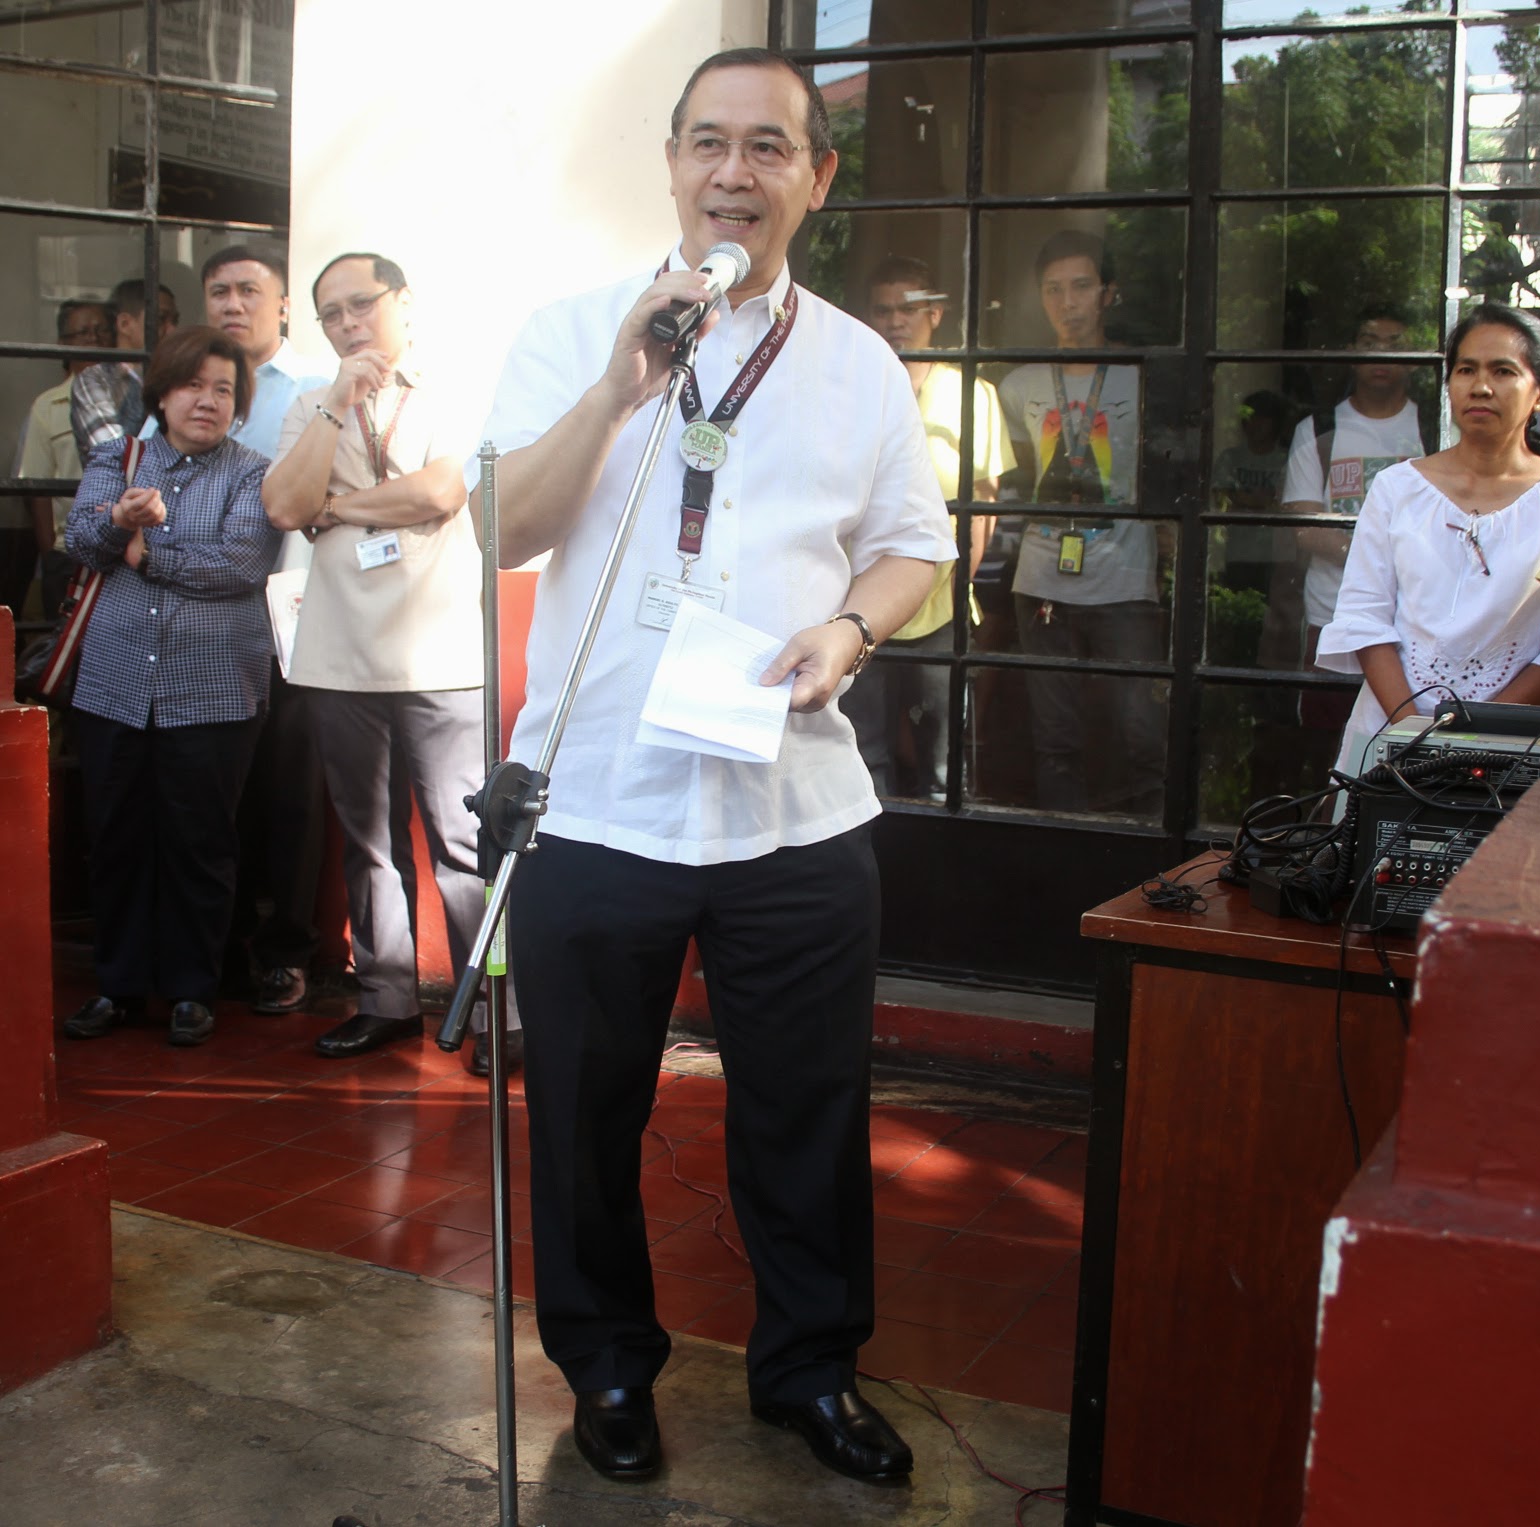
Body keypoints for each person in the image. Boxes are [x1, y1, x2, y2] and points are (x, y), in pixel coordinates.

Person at [474, 48, 953, 1488]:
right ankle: (609, 1367)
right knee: (580, 1108)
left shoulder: (859, 363)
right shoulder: (575, 330)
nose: (732, 172)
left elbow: (913, 543)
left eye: (766, 148)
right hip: (596, 797)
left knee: (804, 1110)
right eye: (706, 143)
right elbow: (503, 527)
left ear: (814, 178)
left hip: (790, 803)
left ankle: (806, 1370)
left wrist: (852, 627)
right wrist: (624, 385)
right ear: (672, 163)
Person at [262, 252, 516, 1075]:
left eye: (360, 305)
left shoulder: (454, 393)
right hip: (339, 656)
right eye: (329, 314)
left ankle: (497, 1010)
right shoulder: (310, 403)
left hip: (442, 652)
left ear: (404, 303)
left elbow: (441, 492)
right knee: (367, 841)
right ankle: (386, 1000)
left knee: (465, 840)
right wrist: (338, 404)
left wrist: (335, 509)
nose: (346, 326)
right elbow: (283, 506)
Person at [60, 326, 279, 1047]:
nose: (207, 400)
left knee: (201, 842)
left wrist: (141, 548)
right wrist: (115, 521)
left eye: (224, 389)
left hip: (214, 691)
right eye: (194, 385)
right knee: (117, 838)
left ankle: (192, 988)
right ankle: (119, 986)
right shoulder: (116, 458)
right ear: (162, 393)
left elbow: (240, 563)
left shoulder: (252, 472)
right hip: (115, 686)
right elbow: (79, 536)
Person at [1317, 303, 1540, 781]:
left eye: (1503, 371)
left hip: (1512, 748)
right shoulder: (1397, 488)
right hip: (1388, 737)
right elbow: (1365, 619)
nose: (1481, 386)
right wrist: (1414, 731)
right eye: (1465, 370)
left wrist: (1472, 737)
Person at [200, 244, 332, 1016]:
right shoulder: (187, 388)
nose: (233, 303)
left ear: (281, 305)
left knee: (290, 797)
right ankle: (216, 950)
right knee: (218, 794)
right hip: (203, 628)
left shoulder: (315, 389)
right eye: (218, 290)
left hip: (289, 622)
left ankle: (284, 951)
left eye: (250, 290)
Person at [1000, 230, 1166, 816]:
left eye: (1080, 286)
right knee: (1054, 737)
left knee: (1142, 728)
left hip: (1124, 575)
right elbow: (1012, 476)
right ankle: (1060, 844)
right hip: (1042, 577)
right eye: (1053, 290)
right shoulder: (1018, 386)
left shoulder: (1140, 378)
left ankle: (1148, 858)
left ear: (1106, 294)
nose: (1067, 302)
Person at [845, 255, 1008, 799]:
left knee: (945, 755)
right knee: (862, 747)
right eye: (882, 310)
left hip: (939, 603)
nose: (895, 320)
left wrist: (957, 586)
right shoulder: (852, 389)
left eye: (908, 309)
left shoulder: (972, 394)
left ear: (936, 313)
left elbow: (982, 508)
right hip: (858, 597)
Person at [1282, 303, 1427, 741]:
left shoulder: (1434, 427)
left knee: (1407, 741)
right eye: (1369, 342)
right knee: (1325, 744)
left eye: (1394, 344)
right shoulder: (1320, 428)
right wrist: (1384, 553)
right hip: (1332, 618)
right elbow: (1304, 528)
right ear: (1351, 352)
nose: (1381, 354)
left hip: (1415, 620)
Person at [14, 300, 113, 620]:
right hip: (69, 554)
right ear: (64, 344)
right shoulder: (47, 406)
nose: (94, 339)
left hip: (118, 546)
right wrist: (51, 555)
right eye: (83, 332)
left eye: (100, 331)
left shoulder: (131, 396)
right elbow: (38, 489)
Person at [70, 279, 179, 463]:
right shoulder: (95, 380)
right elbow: (119, 458)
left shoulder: (178, 377)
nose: (173, 330)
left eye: (175, 321)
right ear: (125, 324)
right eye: (161, 319)